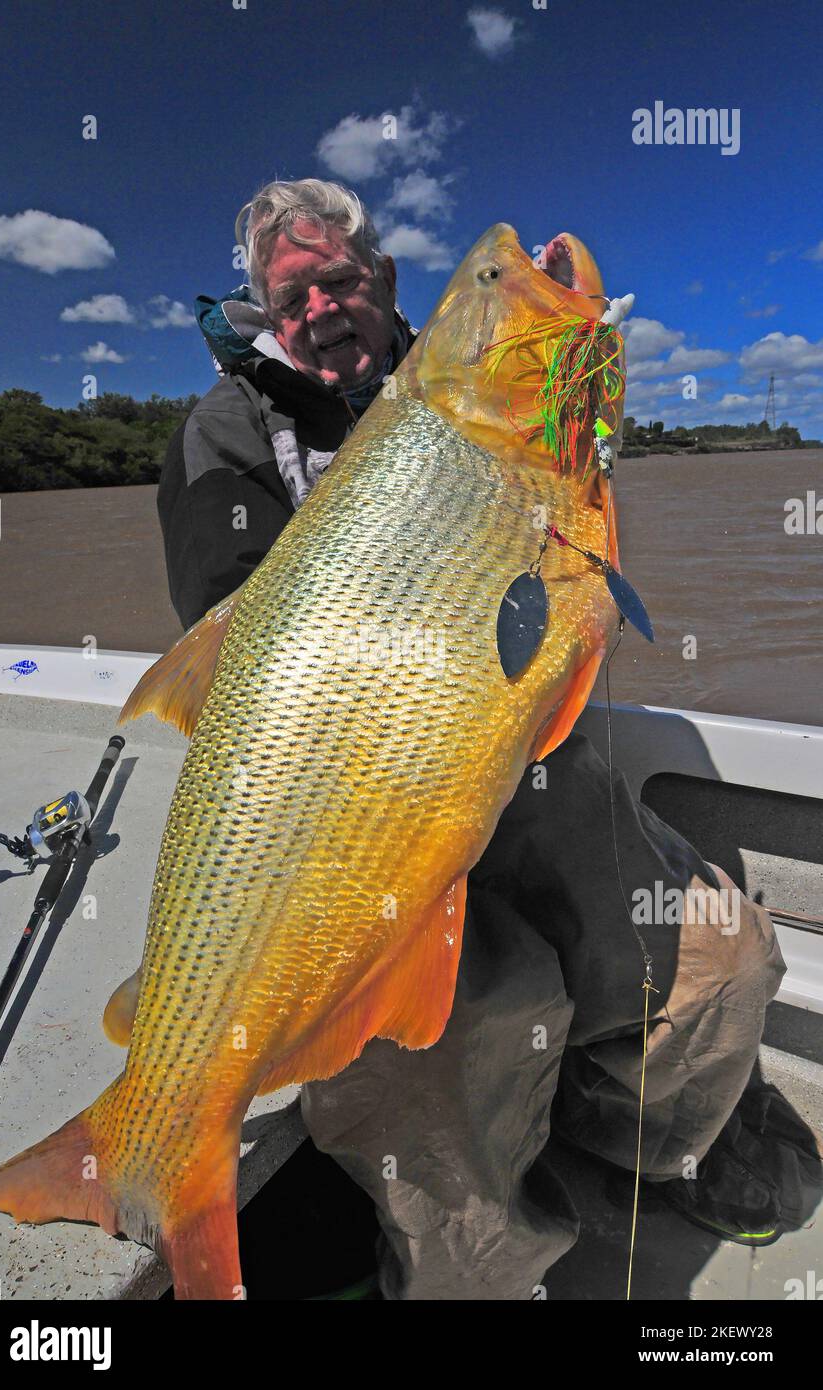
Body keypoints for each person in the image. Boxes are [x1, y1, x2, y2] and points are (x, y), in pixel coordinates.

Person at [157, 178, 818, 1299]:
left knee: (718, 958)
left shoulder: (463, 371)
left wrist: (583, 395)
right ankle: (471, 1267)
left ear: (388, 287)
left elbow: (579, 483)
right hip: (354, 798)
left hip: (526, 766)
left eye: (342, 280)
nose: (320, 307)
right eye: (293, 292)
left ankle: (639, 1151)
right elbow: (236, 641)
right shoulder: (222, 433)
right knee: (451, 1044)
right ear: (266, 313)